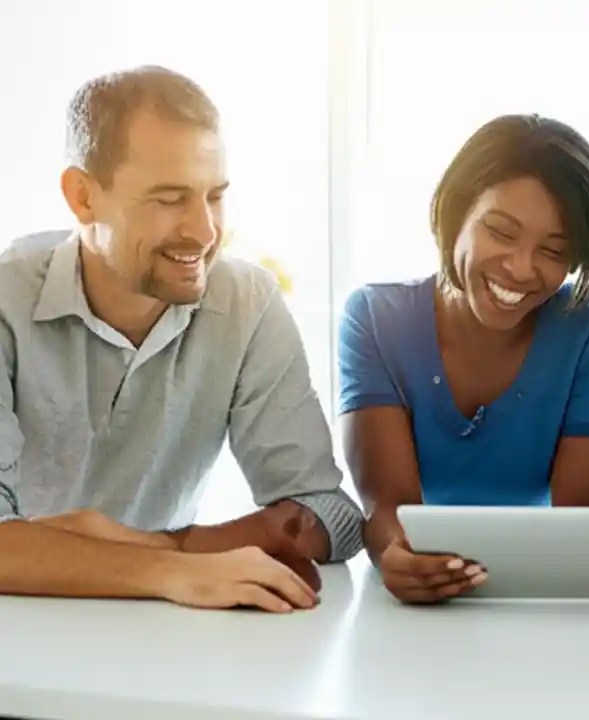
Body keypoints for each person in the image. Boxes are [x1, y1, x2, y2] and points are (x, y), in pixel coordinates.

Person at [0, 66, 364, 612]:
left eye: (214, 196)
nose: (204, 230)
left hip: (165, 634)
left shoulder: (247, 303)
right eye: (169, 199)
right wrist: (172, 570)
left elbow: (329, 514)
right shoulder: (7, 299)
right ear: (82, 197)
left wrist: (168, 548)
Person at [339, 114, 589, 605]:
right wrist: (396, 555)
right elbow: (387, 510)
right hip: (413, 609)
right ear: (457, 214)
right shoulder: (375, 318)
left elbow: (583, 531)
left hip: (540, 599)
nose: (521, 268)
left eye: (553, 250)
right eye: (501, 232)